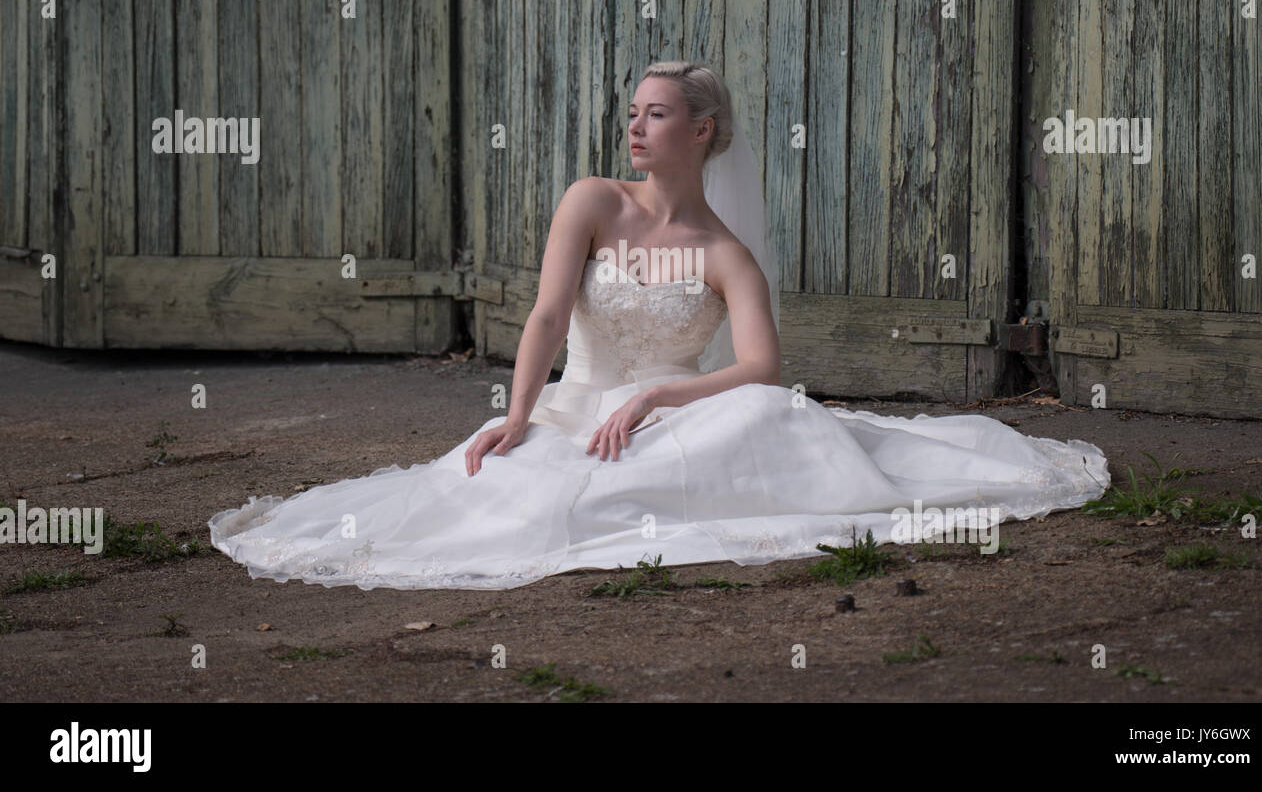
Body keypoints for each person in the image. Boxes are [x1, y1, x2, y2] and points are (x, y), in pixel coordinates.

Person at [209, 61, 1109, 591]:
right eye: (633, 112)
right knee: (519, 490)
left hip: (670, 410)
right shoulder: (593, 201)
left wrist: (669, 392)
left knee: (772, 411)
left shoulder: (726, 256)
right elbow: (551, 314)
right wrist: (520, 412)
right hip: (577, 406)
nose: (636, 126)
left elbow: (761, 363)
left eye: (657, 114)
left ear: (703, 129)